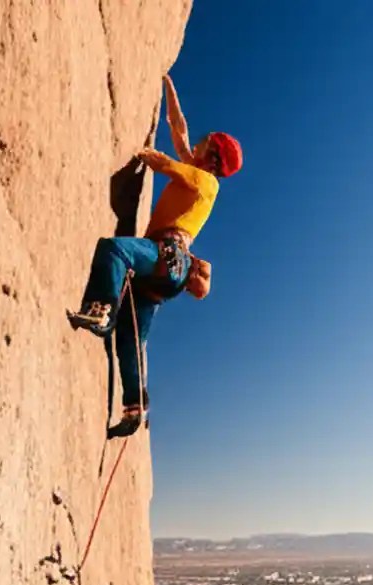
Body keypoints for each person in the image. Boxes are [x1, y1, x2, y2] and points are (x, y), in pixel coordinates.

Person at [67, 74, 242, 437]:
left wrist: (150, 156)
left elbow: (167, 164)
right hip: (167, 271)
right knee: (130, 341)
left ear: (211, 157)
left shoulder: (205, 182)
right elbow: (179, 131)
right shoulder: (199, 175)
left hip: (167, 256)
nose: (194, 143)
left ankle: (100, 308)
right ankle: (135, 408)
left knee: (114, 249)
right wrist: (168, 85)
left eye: (202, 143)